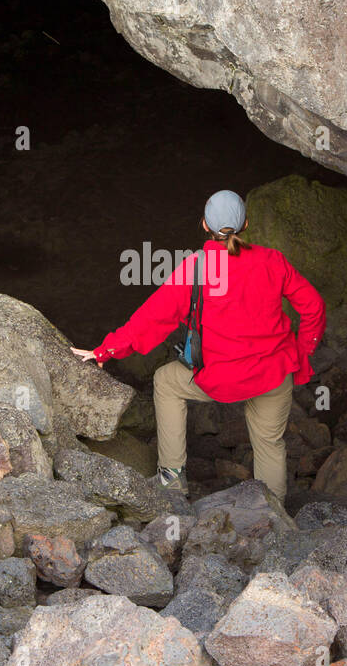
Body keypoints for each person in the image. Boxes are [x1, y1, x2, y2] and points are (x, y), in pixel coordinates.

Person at [72, 189, 325, 500]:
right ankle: (274, 517)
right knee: (270, 444)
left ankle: (172, 480)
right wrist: (301, 352)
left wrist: (107, 350)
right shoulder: (273, 261)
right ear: (245, 225)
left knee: (166, 381)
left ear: (205, 225)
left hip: (220, 377)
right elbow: (313, 306)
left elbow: (151, 319)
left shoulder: (196, 268)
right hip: (272, 373)